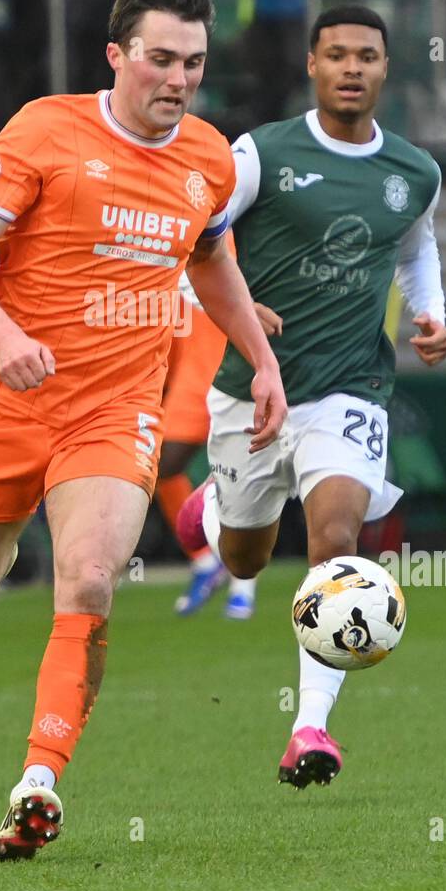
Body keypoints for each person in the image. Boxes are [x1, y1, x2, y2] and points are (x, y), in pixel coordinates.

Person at [0, 0, 286, 859]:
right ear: (116, 56)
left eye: (193, 64)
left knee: (89, 577)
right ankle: (9, 527)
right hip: (4, 401)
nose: (177, 79)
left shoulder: (207, 159)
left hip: (116, 410)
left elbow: (210, 263)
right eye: (160, 59)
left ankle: (37, 780)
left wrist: (263, 358)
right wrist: (5, 334)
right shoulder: (44, 130)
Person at [173, 5, 446, 791]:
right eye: (336, 55)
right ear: (311, 65)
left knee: (333, 541)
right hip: (251, 390)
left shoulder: (413, 173)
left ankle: (309, 729)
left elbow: (416, 247)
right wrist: (228, 310)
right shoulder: (261, 153)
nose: (352, 68)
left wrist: (432, 318)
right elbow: (192, 242)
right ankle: (220, 509)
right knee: (244, 557)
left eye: (366, 55)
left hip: (351, 386)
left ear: (385, 68)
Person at [154, 232, 266, 620]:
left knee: (240, 476)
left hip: (237, 371)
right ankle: (204, 562)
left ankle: (243, 584)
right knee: (159, 466)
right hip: (193, 375)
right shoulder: (173, 230)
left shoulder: (240, 231)